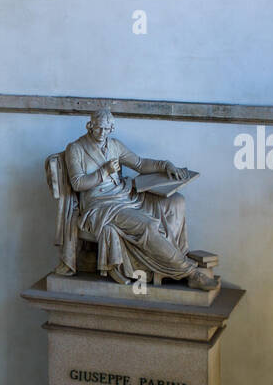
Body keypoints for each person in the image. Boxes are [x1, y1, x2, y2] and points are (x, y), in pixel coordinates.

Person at [61, 108, 219, 290]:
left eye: (106, 129)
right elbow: (78, 184)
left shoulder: (114, 145)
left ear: (111, 128)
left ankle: (172, 257)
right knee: (148, 225)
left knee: (175, 201)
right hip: (101, 205)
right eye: (97, 128)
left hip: (125, 195)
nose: (101, 133)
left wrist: (165, 165)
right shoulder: (76, 148)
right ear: (90, 126)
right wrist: (104, 171)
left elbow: (140, 164)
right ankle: (190, 273)